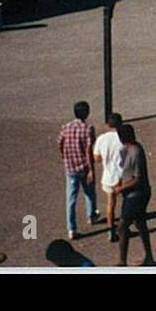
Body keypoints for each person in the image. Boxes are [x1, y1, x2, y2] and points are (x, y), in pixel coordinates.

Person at [115, 124, 155, 266]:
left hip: (137, 194)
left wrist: (121, 188)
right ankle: (149, 257)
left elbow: (138, 178)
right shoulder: (128, 150)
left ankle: (122, 261)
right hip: (133, 193)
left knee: (122, 224)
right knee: (140, 223)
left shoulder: (136, 152)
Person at [57, 101, 98, 240]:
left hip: (70, 167)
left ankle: (71, 228)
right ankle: (91, 215)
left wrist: (64, 157)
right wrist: (92, 169)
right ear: (87, 113)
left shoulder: (65, 127)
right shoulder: (88, 128)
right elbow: (89, 150)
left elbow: (60, 143)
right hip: (84, 166)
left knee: (71, 199)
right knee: (89, 192)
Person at [92, 111, 125, 242]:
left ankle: (110, 230)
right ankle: (124, 227)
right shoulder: (123, 138)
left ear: (107, 125)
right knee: (125, 204)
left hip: (108, 176)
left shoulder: (102, 138)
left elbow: (97, 158)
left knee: (110, 204)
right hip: (122, 176)